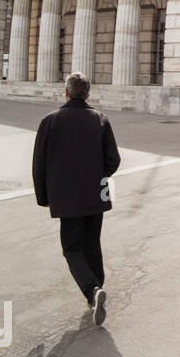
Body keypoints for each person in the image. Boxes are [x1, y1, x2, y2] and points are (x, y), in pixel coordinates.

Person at [32, 72, 121, 327]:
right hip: (96, 193)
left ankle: (92, 291)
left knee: (72, 248)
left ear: (66, 92)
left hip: (65, 196)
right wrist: (99, 175)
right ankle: (95, 294)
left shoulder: (50, 120)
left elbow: (39, 163)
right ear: (88, 94)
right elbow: (113, 160)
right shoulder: (100, 119)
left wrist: (44, 197)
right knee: (93, 244)